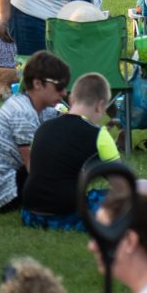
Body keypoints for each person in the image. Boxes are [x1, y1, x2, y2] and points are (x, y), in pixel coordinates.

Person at [0, 51, 69, 214]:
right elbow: (32, 165)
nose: (64, 93)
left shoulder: (27, 103)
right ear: (38, 84)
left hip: (6, 183)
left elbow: (62, 121)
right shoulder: (23, 113)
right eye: (59, 87)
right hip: (3, 198)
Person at [20, 73, 122, 218]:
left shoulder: (44, 127)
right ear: (100, 106)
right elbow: (123, 185)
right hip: (68, 214)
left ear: (71, 99)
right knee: (143, 189)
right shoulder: (98, 134)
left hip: (30, 214)